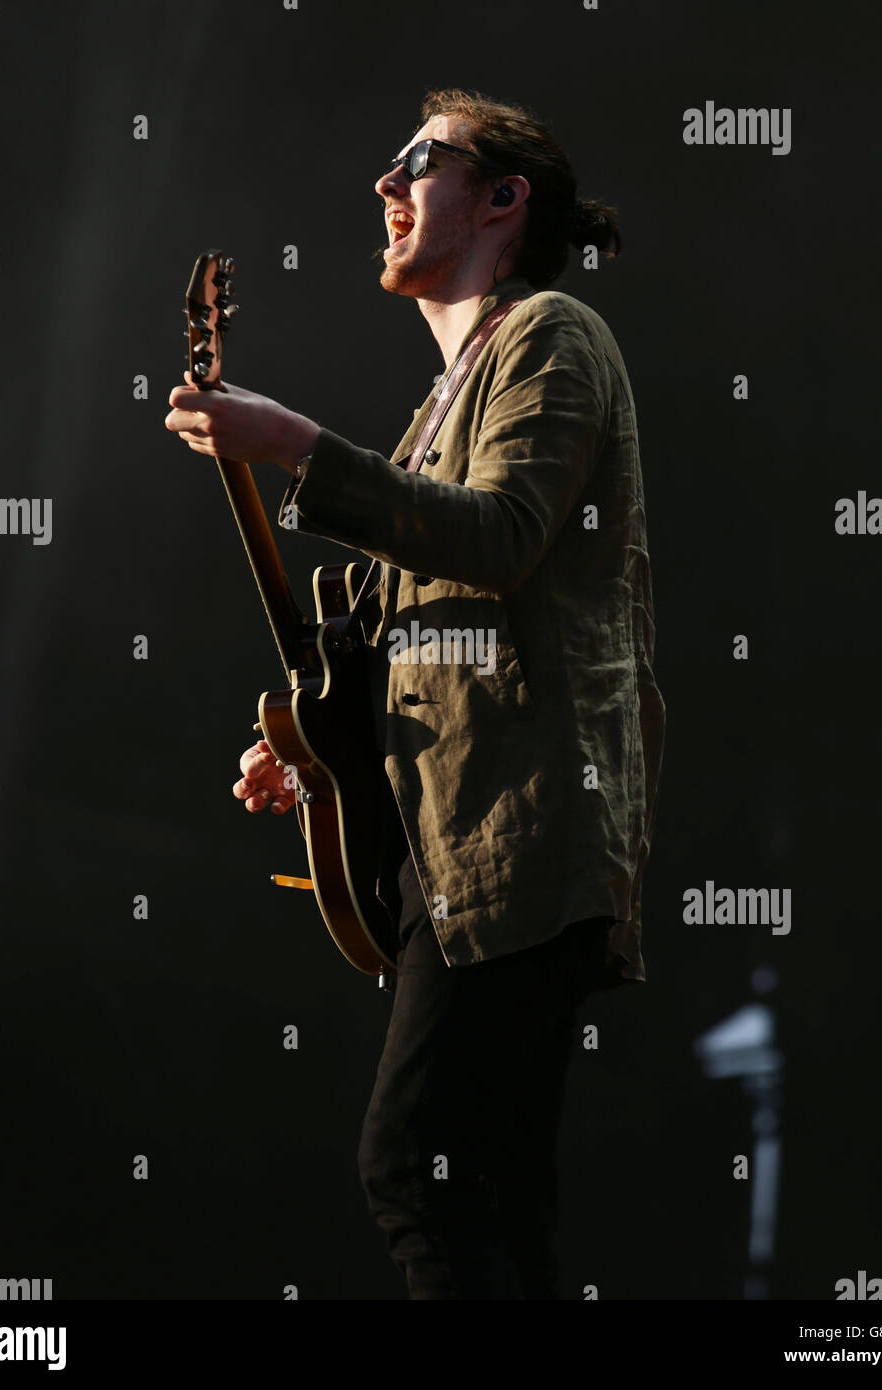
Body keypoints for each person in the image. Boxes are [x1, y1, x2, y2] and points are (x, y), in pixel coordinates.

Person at [165, 88, 665, 1300]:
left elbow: (497, 538)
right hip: (453, 849)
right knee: (485, 1198)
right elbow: (414, 631)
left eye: (417, 161)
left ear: (504, 200)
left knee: (418, 1170)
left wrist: (297, 445)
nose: (384, 187)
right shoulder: (437, 407)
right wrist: (316, 744)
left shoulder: (551, 334)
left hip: (520, 840)